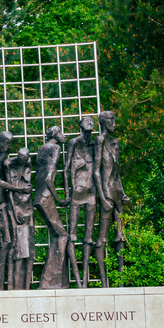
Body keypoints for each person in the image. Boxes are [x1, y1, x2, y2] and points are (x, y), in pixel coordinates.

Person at [0, 131, 30, 289]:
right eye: (7, 143)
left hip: (4, 197)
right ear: (1, 141)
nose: (8, 147)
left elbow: (7, 175)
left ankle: (2, 280)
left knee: (8, 240)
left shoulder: (6, 152)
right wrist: (19, 189)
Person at [95, 110, 129, 287]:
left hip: (116, 192)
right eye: (111, 120)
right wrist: (102, 196)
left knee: (120, 235)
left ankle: (121, 280)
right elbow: (96, 170)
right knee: (102, 236)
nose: (114, 123)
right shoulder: (99, 141)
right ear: (103, 122)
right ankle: (104, 282)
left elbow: (117, 172)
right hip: (106, 194)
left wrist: (123, 192)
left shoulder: (115, 143)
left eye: (115, 119)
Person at [34, 126, 70, 289]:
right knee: (62, 235)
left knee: (58, 235)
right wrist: (59, 199)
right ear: (55, 135)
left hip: (38, 197)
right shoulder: (55, 148)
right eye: (61, 133)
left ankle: (57, 282)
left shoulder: (42, 148)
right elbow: (49, 178)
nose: (64, 136)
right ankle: (50, 282)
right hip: (47, 196)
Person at [64, 116, 98, 288]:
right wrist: (67, 191)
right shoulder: (74, 143)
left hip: (91, 192)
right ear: (81, 126)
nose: (90, 124)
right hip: (77, 192)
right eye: (87, 122)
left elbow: (98, 168)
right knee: (72, 234)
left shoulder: (94, 144)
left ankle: (85, 281)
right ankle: (77, 281)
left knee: (88, 236)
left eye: (92, 122)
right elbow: (66, 167)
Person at [4, 148, 34, 290]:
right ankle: (16, 289)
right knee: (19, 253)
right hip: (18, 213)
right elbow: (10, 192)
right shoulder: (9, 165)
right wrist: (15, 213)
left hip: (27, 214)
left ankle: (26, 288)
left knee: (29, 255)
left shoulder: (28, 165)